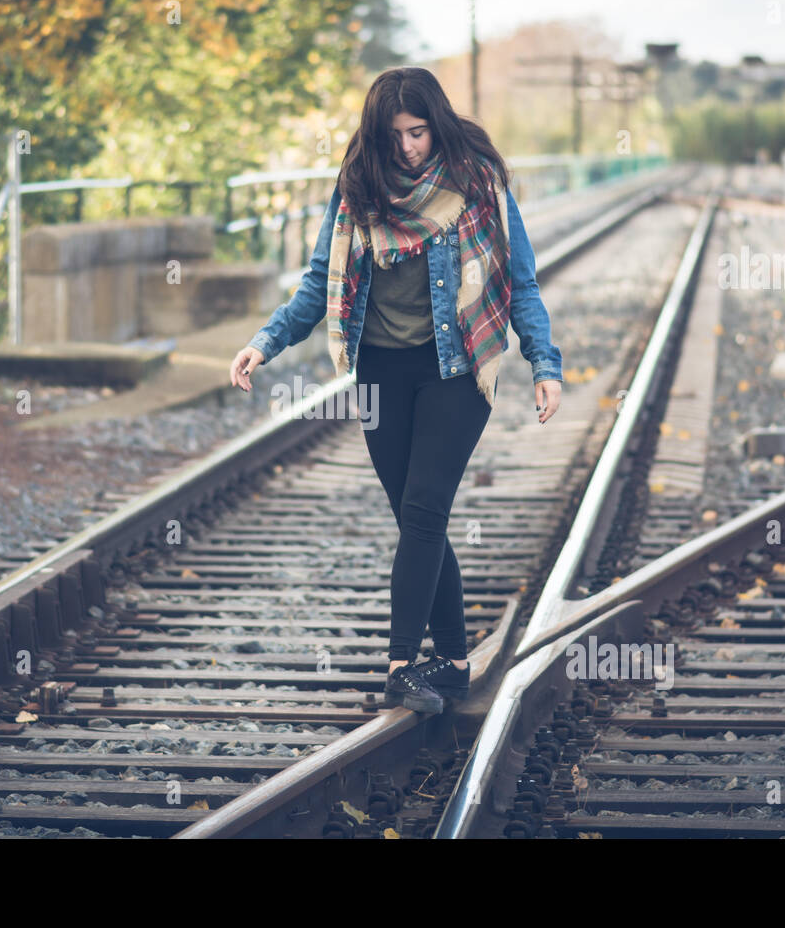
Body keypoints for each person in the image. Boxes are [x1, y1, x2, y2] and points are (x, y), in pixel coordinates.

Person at [228, 67, 563, 714]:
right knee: (417, 518)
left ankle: (401, 664)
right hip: (381, 372)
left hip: (458, 367)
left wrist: (544, 365)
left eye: (419, 131)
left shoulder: (478, 185)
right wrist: (265, 341)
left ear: (437, 124)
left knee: (425, 510)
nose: (409, 146)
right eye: (396, 135)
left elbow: (521, 282)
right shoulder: (360, 191)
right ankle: (457, 663)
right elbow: (318, 281)